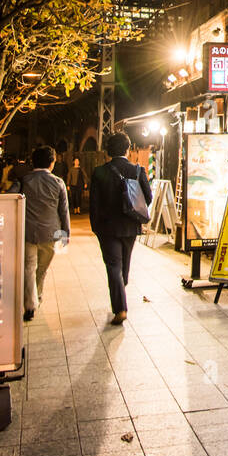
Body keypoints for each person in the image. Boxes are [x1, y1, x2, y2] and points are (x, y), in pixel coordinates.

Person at [89, 132, 151, 326]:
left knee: (114, 266)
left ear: (108, 150)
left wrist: (96, 227)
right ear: (128, 149)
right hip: (131, 226)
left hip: (107, 228)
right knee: (123, 264)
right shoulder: (138, 171)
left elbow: (94, 203)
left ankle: (120, 308)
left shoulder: (99, 172)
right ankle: (120, 292)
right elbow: (147, 198)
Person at [19, 145, 70, 321]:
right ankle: (35, 298)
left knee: (29, 268)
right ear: (52, 162)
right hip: (52, 234)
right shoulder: (58, 182)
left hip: (27, 232)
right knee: (42, 268)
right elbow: (64, 212)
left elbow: (11, 199)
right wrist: (65, 235)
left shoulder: (24, 180)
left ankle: (30, 303)